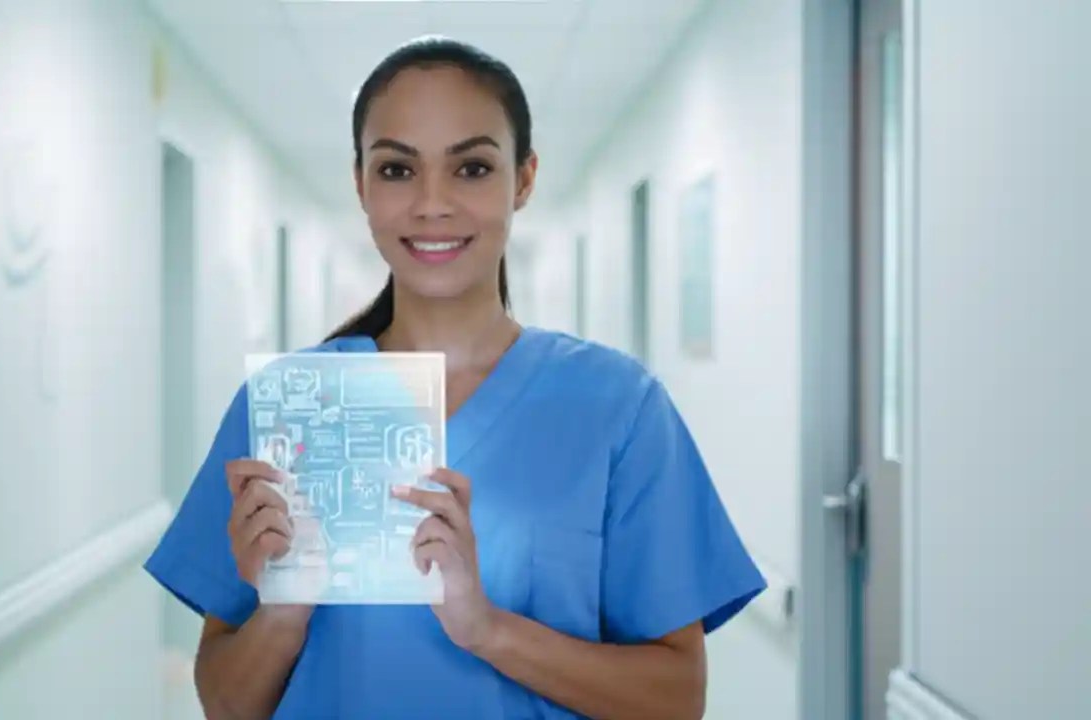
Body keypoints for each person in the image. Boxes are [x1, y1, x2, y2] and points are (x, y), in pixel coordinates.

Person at [144, 36, 766, 720]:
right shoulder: (288, 406)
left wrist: (486, 629)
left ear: (523, 179)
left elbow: (677, 699)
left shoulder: (619, 406)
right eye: (396, 170)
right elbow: (227, 705)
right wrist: (284, 615)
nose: (432, 204)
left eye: (471, 168)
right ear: (360, 184)